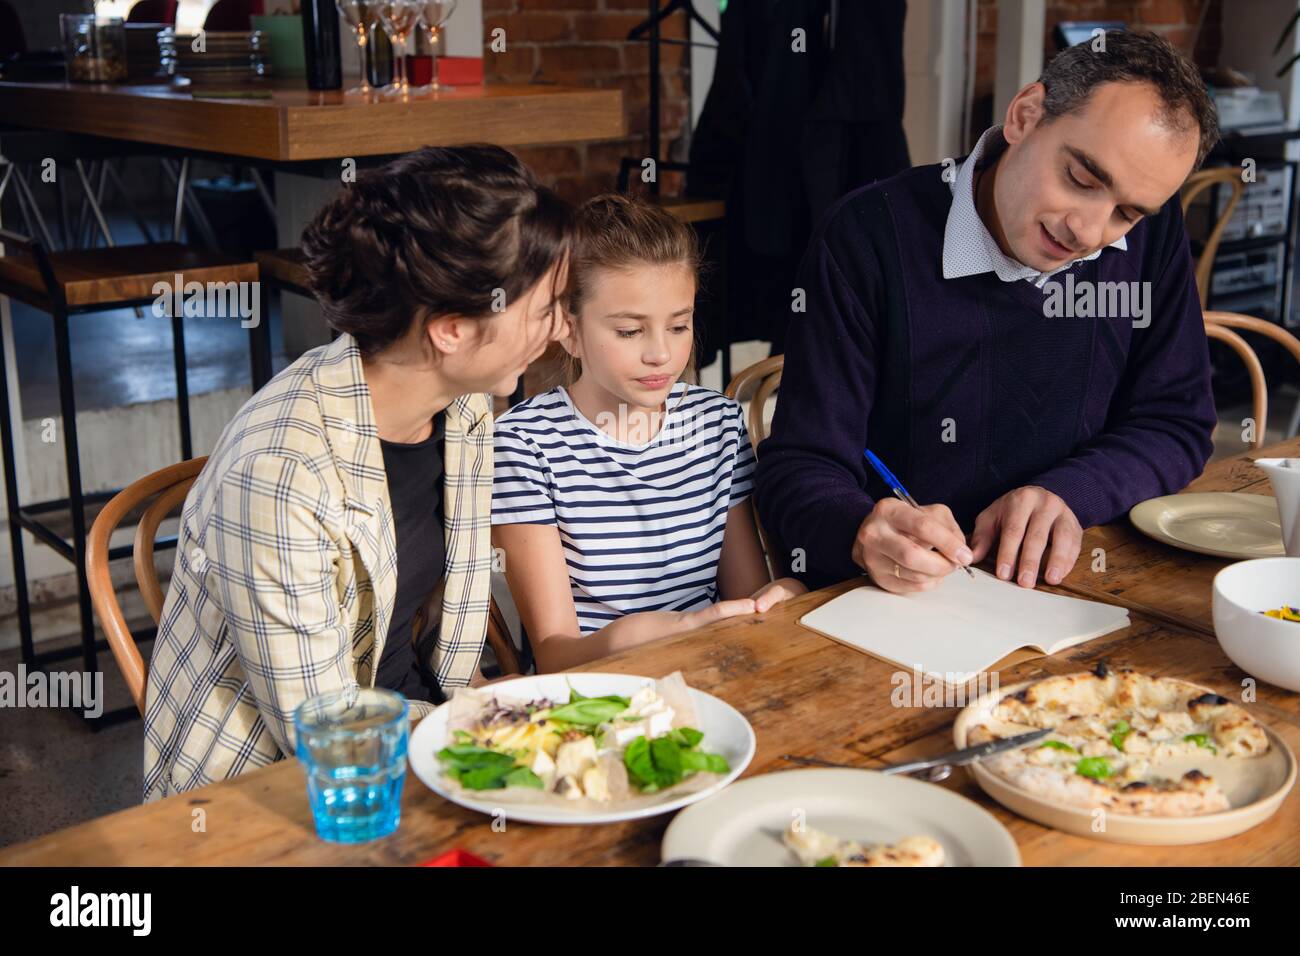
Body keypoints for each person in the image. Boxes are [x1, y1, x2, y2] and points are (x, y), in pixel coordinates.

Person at [143, 146, 571, 801]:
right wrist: (510, 734)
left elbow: (448, 660)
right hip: (280, 797)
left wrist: (504, 718)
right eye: (543, 309)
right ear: (452, 329)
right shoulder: (282, 477)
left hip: (424, 740)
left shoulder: (463, 408)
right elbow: (330, 739)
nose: (559, 327)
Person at [757, 30, 1219, 595]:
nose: (1088, 232)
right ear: (1025, 116)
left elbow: (1177, 420)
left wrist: (1073, 492)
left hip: (1079, 586)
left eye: (1125, 212)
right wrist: (860, 528)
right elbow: (801, 466)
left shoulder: (1153, 234)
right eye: (1080, 179)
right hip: (905, 602)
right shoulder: (866, 237)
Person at [491, 195, 805, 672]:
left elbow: (745, 597)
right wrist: (674, 631)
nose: (660, 353)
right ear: (569, 330)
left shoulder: (716, 423)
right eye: (629, 331)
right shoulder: (525, 444)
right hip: (598, 697)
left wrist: (775, 599)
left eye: (678, 325)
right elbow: (557, 656)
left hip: (715, 671)